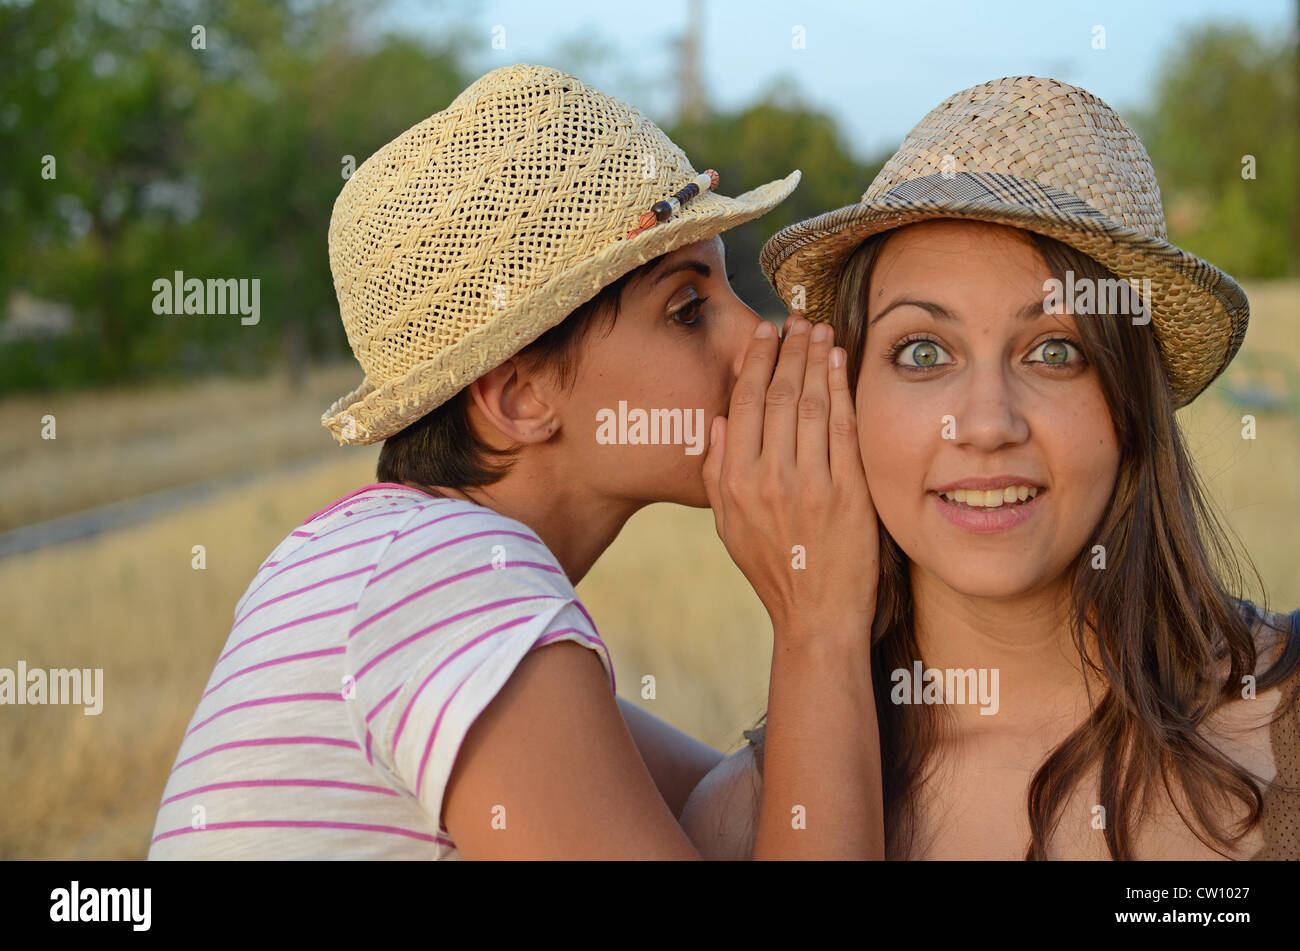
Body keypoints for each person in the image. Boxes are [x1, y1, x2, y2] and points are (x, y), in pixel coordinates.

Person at [147, 63, 883, 860]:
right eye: (688, 309)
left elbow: (741, 821)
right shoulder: (447, 580)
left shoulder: (398, 566)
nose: (756, 337)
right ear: (521, 396)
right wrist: (817, 624)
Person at [681, 76, 1300, 860]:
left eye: (1054, 351)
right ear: (844, 398)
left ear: (1131, 404)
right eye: (923, 353)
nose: (985, 425)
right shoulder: (747, 823)